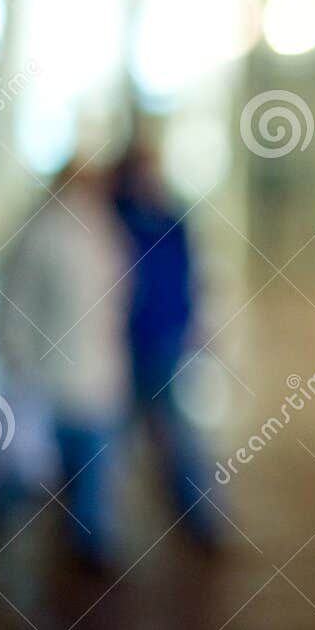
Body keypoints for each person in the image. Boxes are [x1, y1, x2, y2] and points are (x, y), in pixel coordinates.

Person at [0, 156, 132, 572]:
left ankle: (90, 542)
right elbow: (17, 303)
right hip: (56, 376)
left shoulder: (102, 229)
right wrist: (17, 360)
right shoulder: (47, 233)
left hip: (93, 373)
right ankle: (4, 508)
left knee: (90, 470)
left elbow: (116, 296)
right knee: (39, 464)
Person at [110, 138, 226, 549]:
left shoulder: (173, 221)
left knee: (176, 434)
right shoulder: (114, 221)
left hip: (164, 343)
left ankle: (199, 516)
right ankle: (95, 527)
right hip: (121, 347)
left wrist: (198, 325)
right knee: (109, 440)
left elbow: (190, 279)